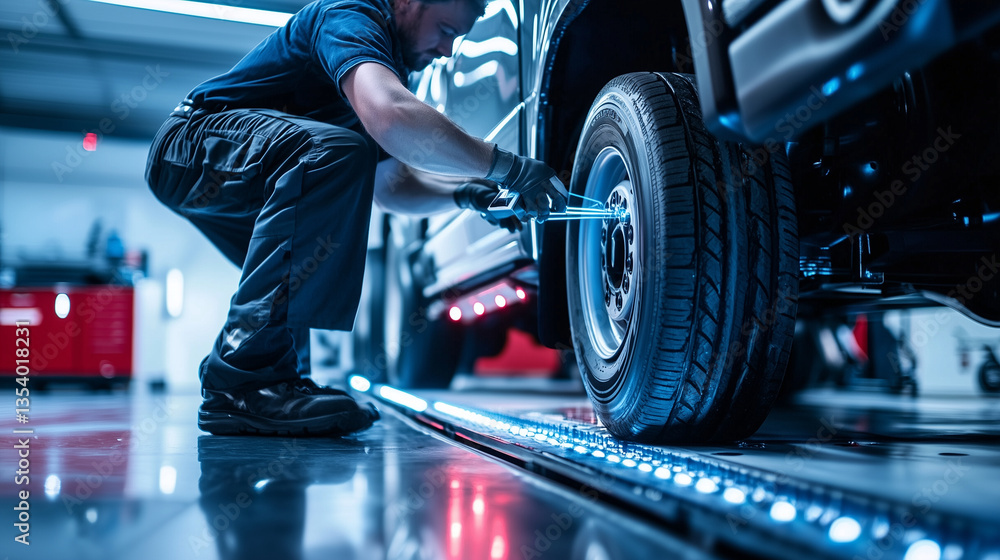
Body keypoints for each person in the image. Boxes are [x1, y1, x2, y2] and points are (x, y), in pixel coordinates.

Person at [144, 0, 567, 437]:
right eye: (444, 29)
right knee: (336, 153)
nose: (446, 50)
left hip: (234, 170)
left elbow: (389, 188)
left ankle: (279, 385)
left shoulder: (387, 65)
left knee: (308, 239)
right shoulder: (353, 15)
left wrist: (464, 194)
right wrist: (509, 168)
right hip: (190, 146)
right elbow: (391, 116)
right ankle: (242, 382)